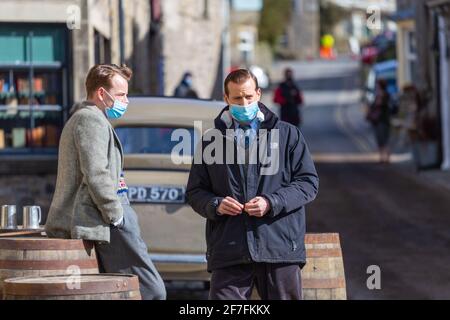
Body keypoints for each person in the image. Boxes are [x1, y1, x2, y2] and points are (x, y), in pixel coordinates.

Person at [186, 69, 319, 300]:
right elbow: (195, 191)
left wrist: (272, 202)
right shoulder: (210, 141)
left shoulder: (288, 135)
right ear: (226, 99)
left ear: (258, 94)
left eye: (248, 96)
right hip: (229, 248)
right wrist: (216, 204)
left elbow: (308, 183)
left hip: (279, 247)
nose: (244, 103)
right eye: (237, 98)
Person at [45, 64, 166, 300]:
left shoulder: (90, 118)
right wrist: (116, 215)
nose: (126, 101)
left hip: (105, 220)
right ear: (102, 93)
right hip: (105, 221)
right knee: (152, 290)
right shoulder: (91, 120)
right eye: (121, 95)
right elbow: (96, 172)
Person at [366, 79, 392, 164]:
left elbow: (379, 105)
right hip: (381, 120)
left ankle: (385, 157)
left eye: (377, 85)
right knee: (382, 139)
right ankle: (383, 157)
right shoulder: (381, 95)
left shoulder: (383, 95)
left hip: (382, 120)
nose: (376, 87)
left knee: (383, 139)